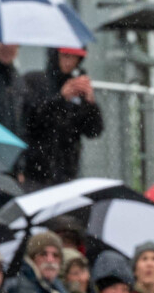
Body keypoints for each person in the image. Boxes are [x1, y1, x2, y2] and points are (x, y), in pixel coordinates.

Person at [20, 47, 103, 188]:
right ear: (55, 55)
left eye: (74, 57)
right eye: (65, 56)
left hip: (67, 172)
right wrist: (61, 98)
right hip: (35, 171)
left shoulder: (77, 86)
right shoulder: (35, 80)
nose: (69, 62)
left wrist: (90, 103)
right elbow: (31, 120)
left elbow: (94, 130)